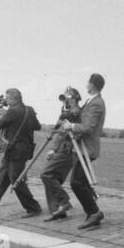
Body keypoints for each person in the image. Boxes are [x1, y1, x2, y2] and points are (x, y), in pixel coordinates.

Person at [0, 87, 42, 221]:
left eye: (7, 98)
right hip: (21, 150)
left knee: (17, 181)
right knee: (0, 179)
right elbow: (37, 126)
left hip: (14, 151)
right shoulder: (29, 110)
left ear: (12, 99)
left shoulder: (12, 111)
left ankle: (33, 207)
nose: (5, 100)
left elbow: (1, 123)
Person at [62, 73, 105, 229]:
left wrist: (71, 127)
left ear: (92, 84)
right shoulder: (91, 101)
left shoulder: (96, 103)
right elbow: (80, 116)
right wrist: (72, 100)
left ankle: (94, 213)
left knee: (76, 182)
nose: (86, 85)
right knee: (82, 183)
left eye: (88, 83)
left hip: (87, 148)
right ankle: (92, 215)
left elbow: (88, 127)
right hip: (82, 148)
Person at [40, 86, 83, 220]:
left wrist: (70, 108)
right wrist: (52, 148)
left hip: (68, 150)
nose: (65, 101)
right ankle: (58, 211)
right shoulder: (66, 112)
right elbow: (58, 132)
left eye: (68, 98)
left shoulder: (76, 112)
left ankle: (64, 202)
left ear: (75, 99)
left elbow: (75, 115)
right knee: (53, 179)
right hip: (62, 149)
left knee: (46, 174)